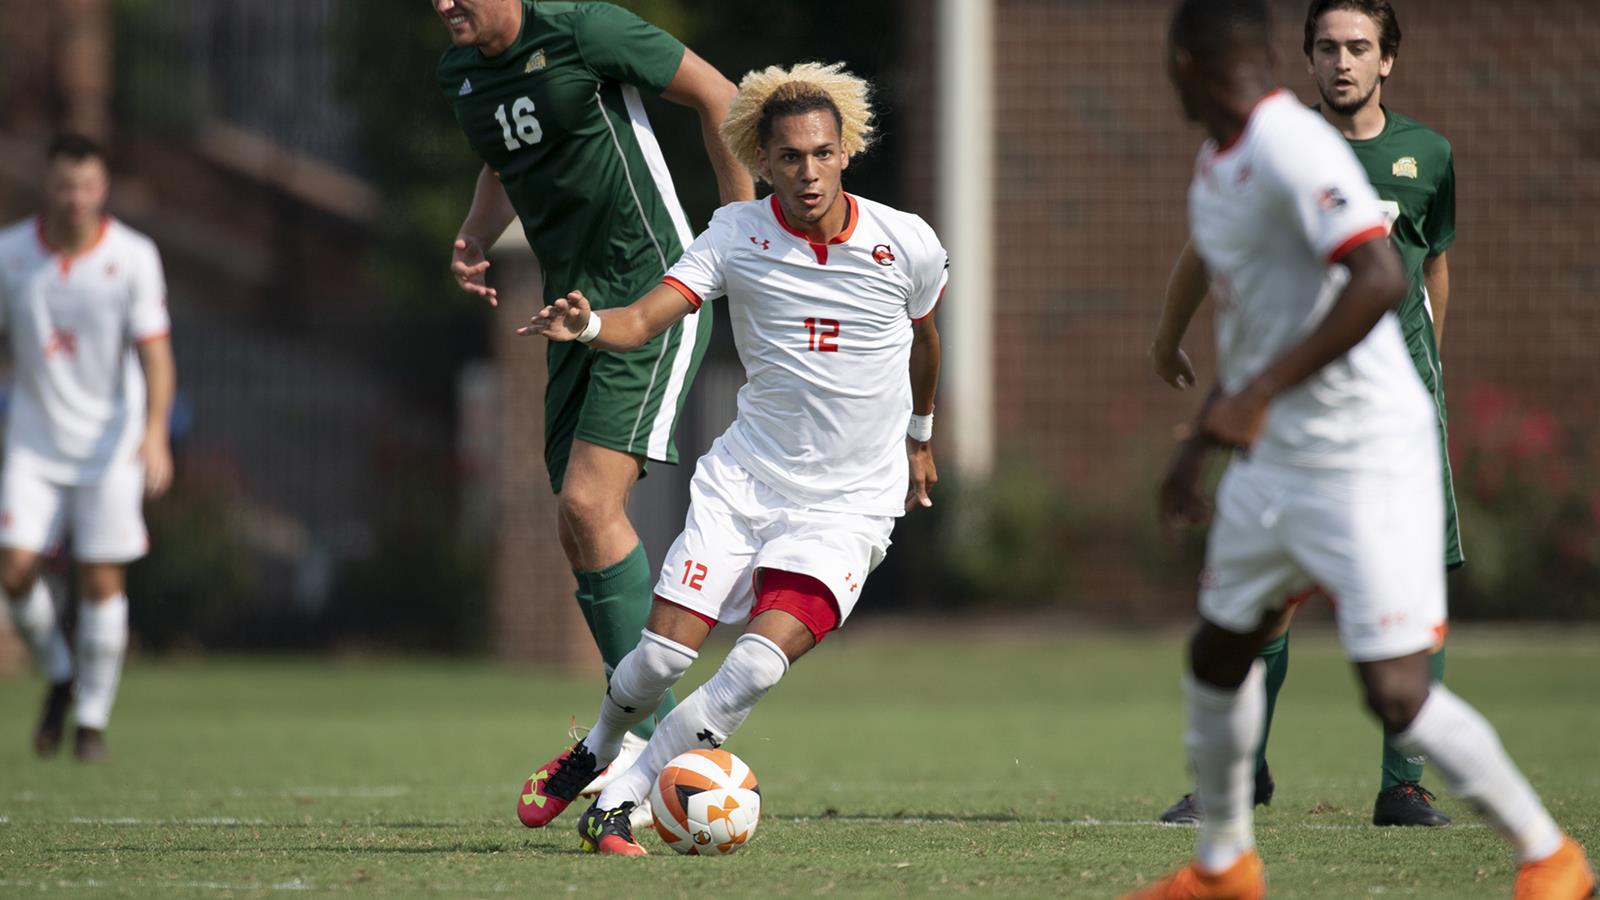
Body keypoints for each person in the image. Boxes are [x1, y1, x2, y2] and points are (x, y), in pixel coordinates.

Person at [1124, 1, 1594, 897]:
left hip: (1367, 452)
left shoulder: (1294, 149)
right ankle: (1224, 866)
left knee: (1394, 691)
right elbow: (1260, 325)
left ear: (1185, 64)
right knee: (1220, 651)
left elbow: (1379, 276)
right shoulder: (1216, 165)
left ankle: (1551, 857)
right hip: (1279, 453)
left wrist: (1253, 396)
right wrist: (1203, 441)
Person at [513, 62, 946, 855]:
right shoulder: (736, 236)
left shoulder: (906, 241)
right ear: (763, 160)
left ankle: (624, 796)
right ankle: (598, 744)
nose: (807, 171)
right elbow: (644, 321)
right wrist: (582, 325)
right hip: (744, 485)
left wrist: (920, 435)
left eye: (821, 152)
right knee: (660, 657)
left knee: (753, 668)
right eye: (788, 157)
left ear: (845, 148)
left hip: (850, 506)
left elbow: (925, 339)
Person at [430, 0, 754, 818]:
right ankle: (651, 745)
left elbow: (722, 95)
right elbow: (507, 153)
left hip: (650, 292)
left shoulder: (583, 29)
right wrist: (475, 229)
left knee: (589, 501)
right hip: (571, 313)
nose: (443, 6)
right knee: (573, 523)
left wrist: (745, 229)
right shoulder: (459, 72)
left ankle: (651, 746)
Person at [1151, 0, 1456, 828]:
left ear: (1388, 59)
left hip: (1387, 420)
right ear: (1305, 58)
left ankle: (1407, 784)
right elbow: (1212, 257)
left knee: (1405, 626)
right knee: (1260, 606)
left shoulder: (1424, 154)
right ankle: (1242, 782)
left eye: (1360, 47)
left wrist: (1429, 373)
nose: (1343, 62)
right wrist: (1175, 342)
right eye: (1327, 46)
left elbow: (1421, 272)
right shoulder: (1272, 146)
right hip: (1290, 411)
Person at [0, 134, 176, 762]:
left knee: (102, 581)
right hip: (34, 441)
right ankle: (58, 671)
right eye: (64, 185)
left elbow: (156, 355)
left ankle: (92, 721)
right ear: (47, 187)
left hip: (110, 447)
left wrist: (155, 431)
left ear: (102, 190)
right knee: (14, 569)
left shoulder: (132, 257)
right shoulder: (10, 255)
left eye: (87, 186)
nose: (75, 198)